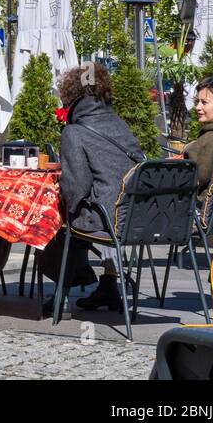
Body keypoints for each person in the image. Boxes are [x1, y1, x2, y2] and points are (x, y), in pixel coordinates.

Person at [40, 61, 146, 314]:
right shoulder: (120, 124)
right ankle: (108, 284)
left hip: (108, 219)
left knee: (59, 224)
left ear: (71, 97)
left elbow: (76, 187)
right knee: (80, 213)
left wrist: (68, 205)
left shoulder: (75, 132)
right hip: (139, 216)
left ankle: (61, 296)